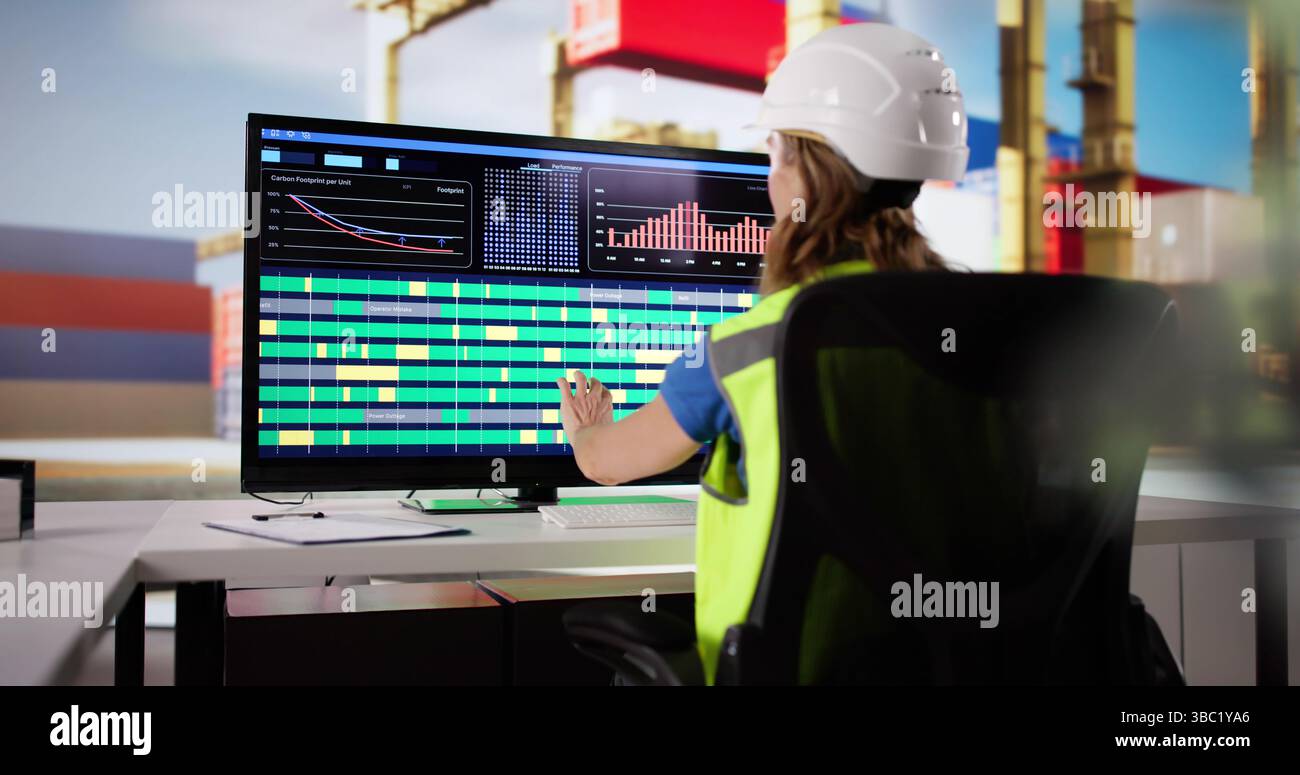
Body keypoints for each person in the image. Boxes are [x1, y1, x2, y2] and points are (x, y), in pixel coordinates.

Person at [555, 22, 969, 682]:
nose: (769, 180)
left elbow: (606, 464)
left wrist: (589, 430)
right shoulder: (989, 331)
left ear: (808, 173)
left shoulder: (748, 348)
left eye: (775, 155)